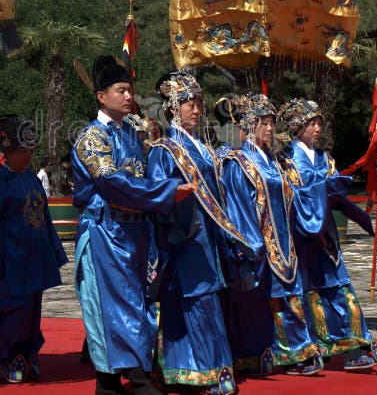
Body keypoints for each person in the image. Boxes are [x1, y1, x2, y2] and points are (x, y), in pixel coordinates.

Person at [71, 55, 193, 395]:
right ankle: (135, 378)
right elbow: (113, 184)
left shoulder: (129, 134)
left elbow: (144, 177)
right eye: (121, 90)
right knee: (115, 305)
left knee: (135, 302)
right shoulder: (91, 138)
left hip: (133, 233)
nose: (129, 96)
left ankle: (110, 383)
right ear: (101, 96)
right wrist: (166, 192)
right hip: (106, 233)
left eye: (130, 90)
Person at [147, 71, 246, 395]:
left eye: (199, 103)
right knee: (196, 301)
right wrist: (178, 207)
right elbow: (158, 193)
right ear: (173, 108)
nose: (197, 109)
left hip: (209, 239)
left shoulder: (203, 147)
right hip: (185, 236)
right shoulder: (164, 149)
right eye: (189, 103)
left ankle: (191, 368)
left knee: (203, 300)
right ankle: (208, 370)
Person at [218, 93, 326, 376]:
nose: (268, 129)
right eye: (262, 123)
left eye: (271, 123)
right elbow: (239, 207)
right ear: (249, 125)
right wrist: (251, 244)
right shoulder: (238, 162)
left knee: (288, 293)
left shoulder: (275, 160)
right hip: (258, 241)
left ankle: (296, 350)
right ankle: (263, 352)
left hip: (284, 239)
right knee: (259, 299)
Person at [279, 98, 377, 370]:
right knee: (307, 290)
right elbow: (287, 196)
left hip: (326, 235)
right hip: (301, 236)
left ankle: (355, 345)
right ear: (297, 126)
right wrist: (320, 192)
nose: (317, 129)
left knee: (337, 284)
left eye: (318, 124)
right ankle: (314, 346)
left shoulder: (326, 158)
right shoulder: (285, 160)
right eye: (311, 123)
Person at [0, 114, 68, 383]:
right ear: (9, 151)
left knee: (32, 311)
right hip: (11, 261)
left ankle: (29, 353)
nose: (29, 156)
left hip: (35, 259)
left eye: (31, 151)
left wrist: (54, 252)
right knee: (13, 311)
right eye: (23, 151)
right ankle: (10, 356)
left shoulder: (32, 180)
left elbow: (45, 219)